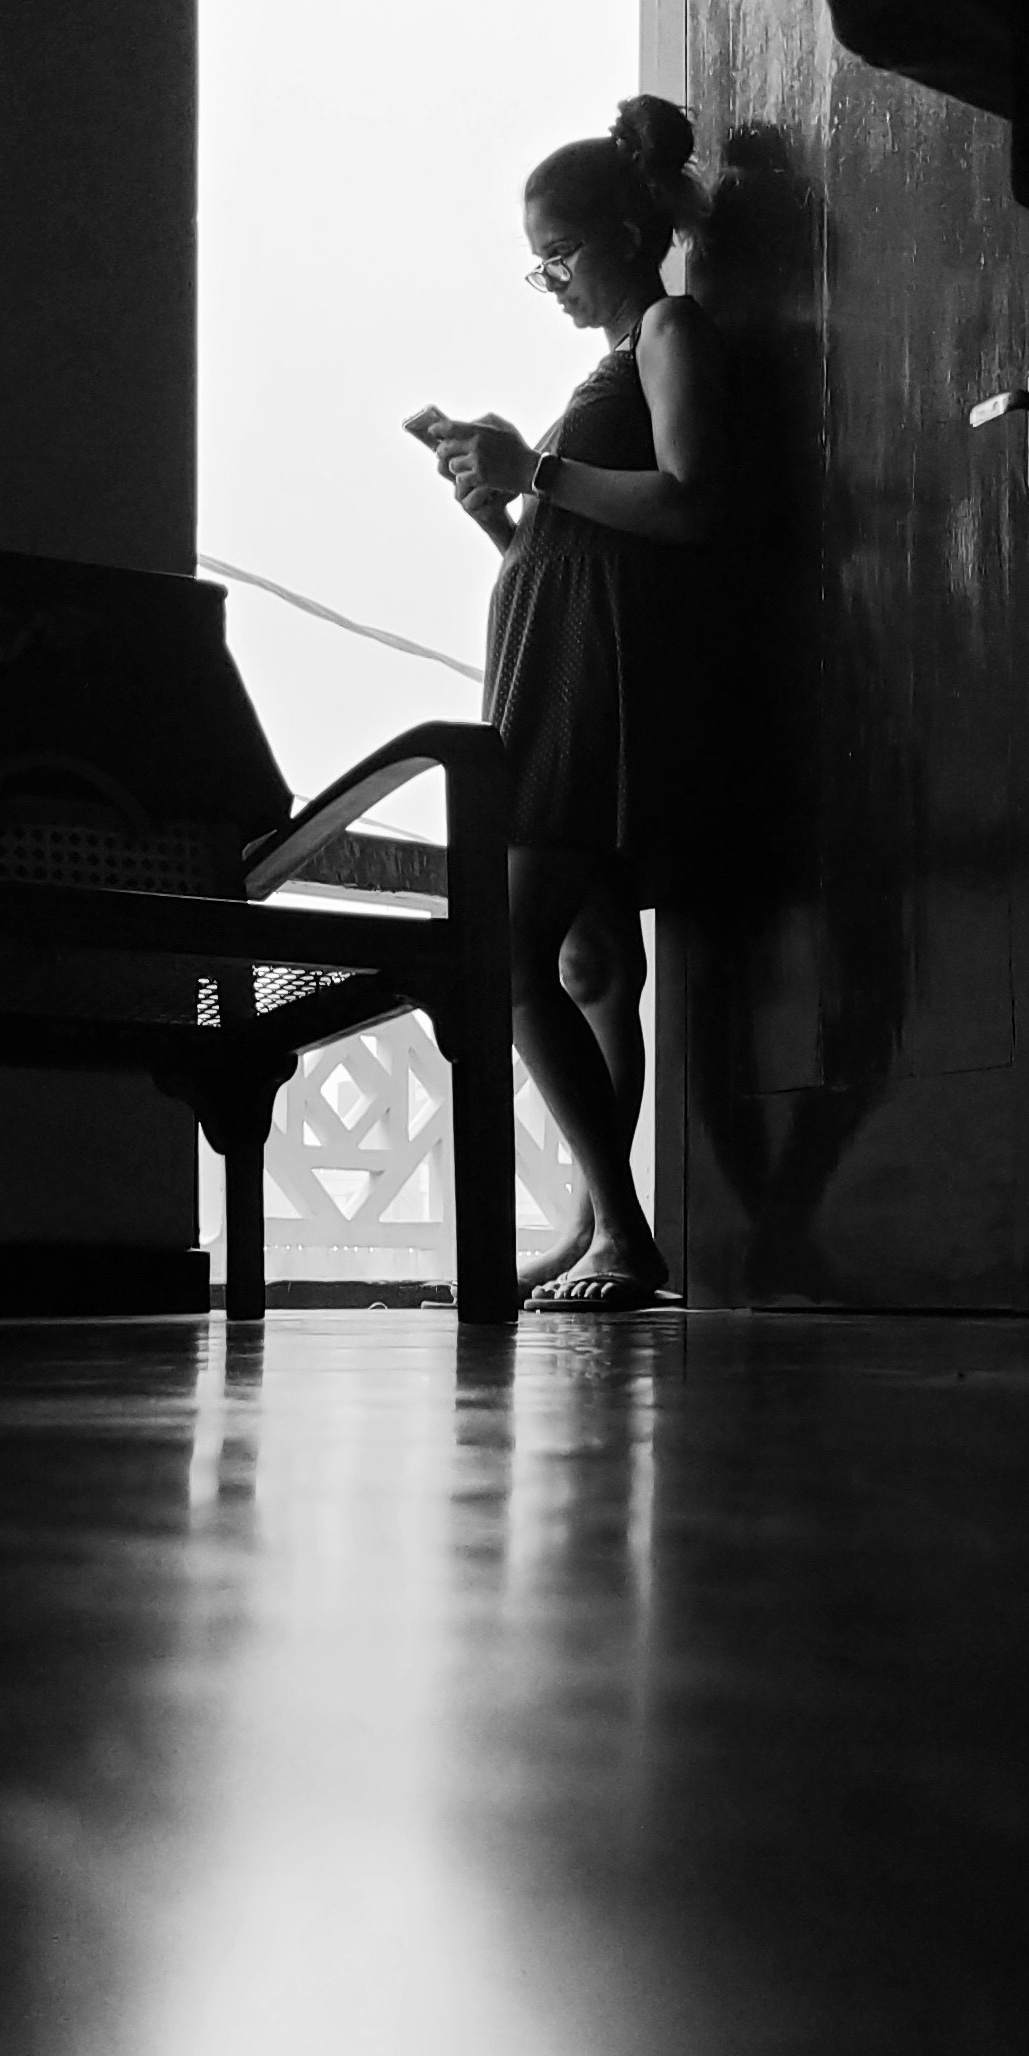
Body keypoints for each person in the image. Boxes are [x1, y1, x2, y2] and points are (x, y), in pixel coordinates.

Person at [420, 94, 723, 1312]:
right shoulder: (604, 367)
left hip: (591, 680)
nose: (545, 278)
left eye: (556, 252)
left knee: (509, 959)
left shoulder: (670, 329)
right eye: (533, 260)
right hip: (555, 667)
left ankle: (624, 1233)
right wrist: (501, 510)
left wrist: (533, 469)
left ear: (620, 232)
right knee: (598, 964)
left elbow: (695, 504)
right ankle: (605, 1224)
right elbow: (574, 538)